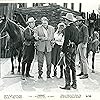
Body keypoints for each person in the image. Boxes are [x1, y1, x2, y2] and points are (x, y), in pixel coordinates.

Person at [60, 13, 79, 90]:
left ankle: (67, 84)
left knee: (67, 66)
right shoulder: (76, 28)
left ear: (68, 20)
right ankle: (74, 84)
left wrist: (62, 51)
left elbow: (65, 41)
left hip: (68, 49)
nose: (65, 21)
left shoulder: (67, 29)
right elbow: (78, 40)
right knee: (73, 66)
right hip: (74, 48)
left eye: (65, 19)